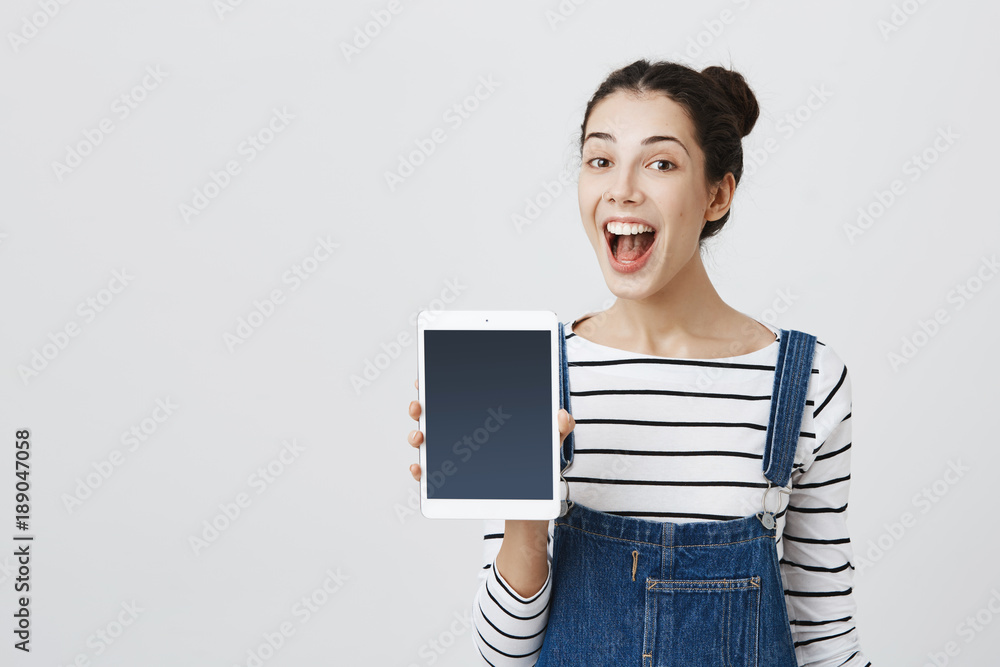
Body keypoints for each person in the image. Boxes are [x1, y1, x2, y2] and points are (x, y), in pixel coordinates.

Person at [406, 58, 873, 666]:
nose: (621, 188)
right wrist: (523, 514)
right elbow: (504, 657)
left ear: (717, 193)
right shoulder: (539, 374)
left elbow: (826, 637)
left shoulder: (810, 382)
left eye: (660, 163)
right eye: (600, 160)